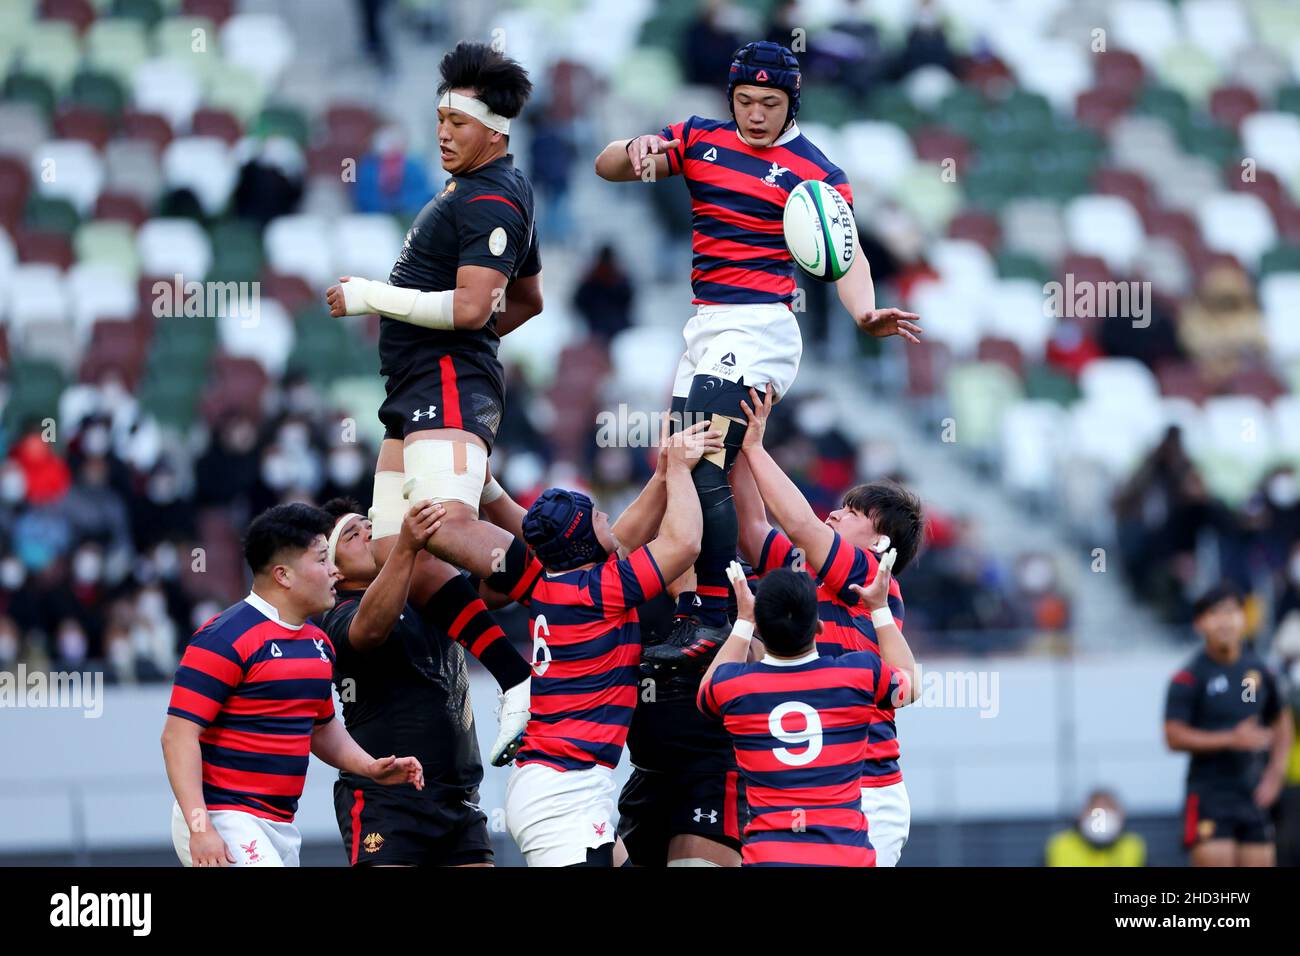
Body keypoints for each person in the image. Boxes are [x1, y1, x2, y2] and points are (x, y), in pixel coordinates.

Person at [594, 40, 920, 663]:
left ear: (791, 102)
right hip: (705, 325)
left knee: (705, 458)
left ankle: (712, 614)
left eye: (770, 103)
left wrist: (862, 312)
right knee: (679, 462)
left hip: (762, 327)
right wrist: (630, 150)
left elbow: (847, 254)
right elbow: (608, 167)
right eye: (745, 101)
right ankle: (691, 607)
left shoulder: (818, 171)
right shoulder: (698, 140)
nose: (756, 114)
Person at [326, 42, 544, 760]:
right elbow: (527, 300)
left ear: (494, 130)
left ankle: (578, 613)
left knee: (443, 520)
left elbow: (477, 304)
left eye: (457, 120)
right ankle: (516, 677)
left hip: (444, 385)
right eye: (440, 117)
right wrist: (466, 337)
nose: (443, 132)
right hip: (417, 389)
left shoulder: (489, 197)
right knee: (398, 548)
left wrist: (370, 297)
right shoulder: (477, 191)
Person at [725, 384, 924, 866]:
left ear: (879, 545)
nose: (835, 512)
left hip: (866, 787)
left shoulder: (867, 574)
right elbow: (754, 530)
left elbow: (801, 525)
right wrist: (732, 450)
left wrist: (754, 446)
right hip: (818, 786)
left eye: (853, 513)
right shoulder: (809, 565)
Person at [161, 503, 424, 867]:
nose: (334, 571)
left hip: (280, 824)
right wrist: (200, 828)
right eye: (321, 560)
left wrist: (369, 766)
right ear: (283, 575)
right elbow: (177, 736)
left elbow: (320, 726)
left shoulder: (318, 643)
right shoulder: (222, 638)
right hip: (224, 816)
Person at [504, 422, 719, 866]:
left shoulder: (559, 581)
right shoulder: (598, 589)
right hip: (563, 795)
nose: (609, 519)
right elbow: (684, 543)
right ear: (583, 541)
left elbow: (622, 537)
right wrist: (678, 470)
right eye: (598, 516)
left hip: (566, 787)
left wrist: (662, 471)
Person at [320, 496, 525, 866]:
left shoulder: (431, 588)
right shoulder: (338, 616)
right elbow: (371, 629)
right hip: (386, 801)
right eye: (352, 535)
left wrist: (483, 499)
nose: (370, 534)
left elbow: (507, 578)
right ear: (334, 571)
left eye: (371, 526)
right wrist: (404, 546)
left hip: (458, 797)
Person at [698, 558, 916, 866]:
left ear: (761, 626)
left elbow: (706, 690)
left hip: (770, 858)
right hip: (845, 857)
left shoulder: (735, 688)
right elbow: (909, 682)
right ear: (819, 627)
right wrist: (880, 607)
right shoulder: (858, 675)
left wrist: (744, 621)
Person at [1164, 584, 1294, 866]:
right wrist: (1229, 739)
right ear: (1200, 623)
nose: (1225, 621)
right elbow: (1173, 736)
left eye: (1232, 612)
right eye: (1215, 613)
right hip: (1210, 794)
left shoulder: (1259, 671)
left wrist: (1275, 774)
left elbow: (1283, 723)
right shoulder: (1189, 676)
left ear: (1244, 619)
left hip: (1253, 795)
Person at [1045, 790, 1146, 867]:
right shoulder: (1060, 845)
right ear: (1081, 814)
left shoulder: (1133, 845)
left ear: (1120, 815)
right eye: (1095, 808)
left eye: (1108, 808)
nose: (1101, 816)